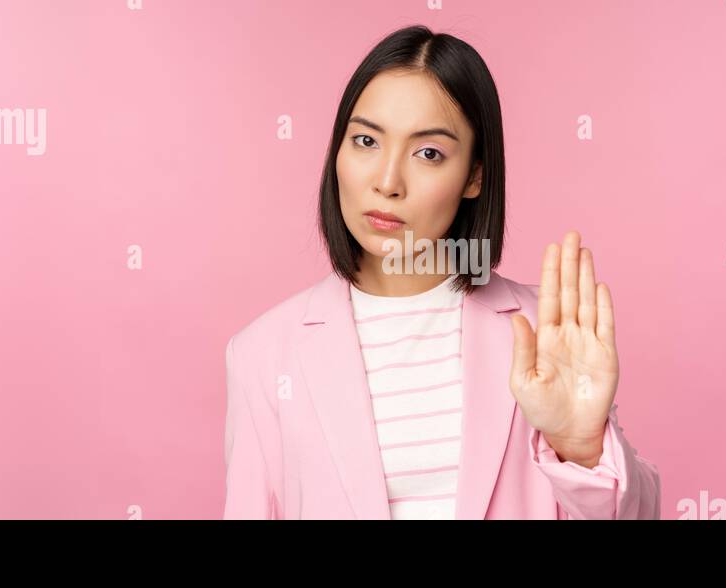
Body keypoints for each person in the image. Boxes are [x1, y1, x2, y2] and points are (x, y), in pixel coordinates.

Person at [223, 25, 659, 519]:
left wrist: (580, 448)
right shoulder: (262, 353)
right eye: (366, 140)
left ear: (475, 175)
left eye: (428, 153)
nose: (387, 182)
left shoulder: (546, 334)